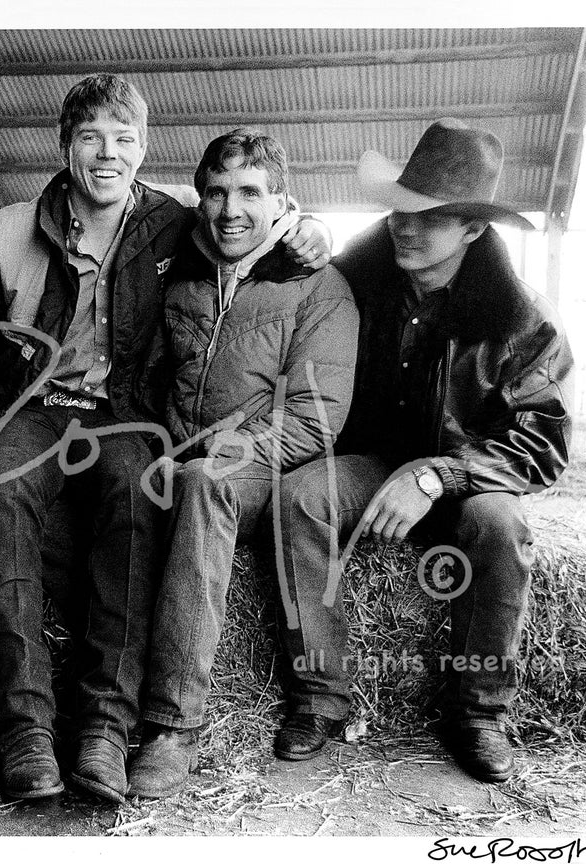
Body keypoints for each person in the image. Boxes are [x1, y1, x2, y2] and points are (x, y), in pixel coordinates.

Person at [0, 75, 331, 803]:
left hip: (126, 413)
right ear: (65, 147)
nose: (107, 154)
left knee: (136, 502)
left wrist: (312, 230)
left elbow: (253, 232)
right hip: (33, 408)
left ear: (143, 149)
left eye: (124, 139)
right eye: (91, 138)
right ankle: (24, 728)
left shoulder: (176, 224)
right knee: (1, 491)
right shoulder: (3, 231)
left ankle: (105, 729)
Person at [276, 119, 574, 782]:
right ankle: (320, 696)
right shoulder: (361, 273)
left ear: (473, 228)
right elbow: (280, 271)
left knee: (501, 526)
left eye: (430, 216)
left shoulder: (524, 319)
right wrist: (307, 230)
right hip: (373, 462)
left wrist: (440, 475)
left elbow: (543, 444)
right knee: (300, 497)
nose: (404, 227)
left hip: (468, 476)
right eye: (398, 209)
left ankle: (480, 712)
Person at [126, 129, 359, 798]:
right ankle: (95, 707)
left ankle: (173, 725)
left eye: (250, 193)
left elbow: (315, 418)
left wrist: (227, 452)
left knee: (204, 484)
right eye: (217, 193)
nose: (230, 210)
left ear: (283, 201)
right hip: (177, 456)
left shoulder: (320, 287)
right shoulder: (181, 273)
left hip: (263, 467)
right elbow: (148, 379)